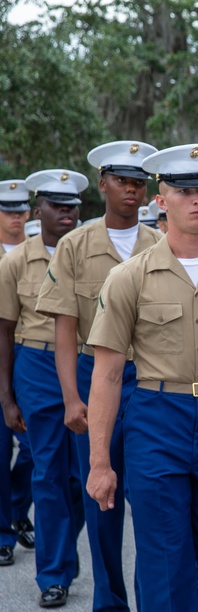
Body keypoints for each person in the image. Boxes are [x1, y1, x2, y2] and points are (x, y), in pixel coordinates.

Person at [85, 143, 198, 612]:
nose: (196, 200)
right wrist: (100, 461)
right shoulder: (130, 276)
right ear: (162, 200)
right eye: (184, 191)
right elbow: (107, 373)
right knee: (165, 561)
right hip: (157, 418)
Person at [35, 140, 160, 612]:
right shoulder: (76, 246)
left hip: (153, 381)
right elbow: (65, 330)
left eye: (140, 182)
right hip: (95, 373)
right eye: (123, 180)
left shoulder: (163, 241)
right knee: (103, 503)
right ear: (103, 183)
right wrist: (71, 397)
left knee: (156, 509)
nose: (132, 189)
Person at [0, 169, 89, 606]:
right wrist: (6, 396)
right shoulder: (16, 261)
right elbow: (3, 330)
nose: (66, 212)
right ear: (39, 211)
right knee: (48, 471)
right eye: (57, 205)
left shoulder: (89, 254)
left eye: (72, 205)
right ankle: (53, 573)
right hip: (35, 363)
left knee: (82, 477)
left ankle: (61, 548)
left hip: (83, 362)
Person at [0, 179, 35, 566]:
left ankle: (14, 508)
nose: (16, 216)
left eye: (22, 210)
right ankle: (3, 531)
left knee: (31, 449)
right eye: (9, 210)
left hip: (22, 359)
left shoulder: (37, 253)